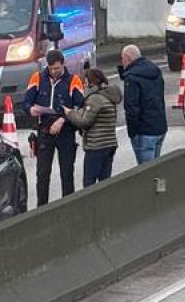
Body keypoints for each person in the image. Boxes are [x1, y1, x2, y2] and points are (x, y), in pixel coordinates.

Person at [20, 49, 84, 205]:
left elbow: (80, 107)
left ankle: (67, 207)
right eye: (51, 69)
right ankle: (42, 209)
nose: (54, 72)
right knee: (42, 174)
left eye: (57, 68)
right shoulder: (37, 78)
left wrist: (63, 120)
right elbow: (26, 102)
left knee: (66, 173)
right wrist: (31, 110)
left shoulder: (73, 80)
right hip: (44, 131)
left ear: (63, 64)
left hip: (66, 131)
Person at [67, 67, 123, 187]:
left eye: (86, 82)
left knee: (89, 183)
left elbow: (85, 121)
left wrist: (70, 113)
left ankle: (90, 206)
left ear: (91, 82)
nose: (85, 86)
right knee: (105, 182)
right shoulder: (109, 96)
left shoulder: (95, 99)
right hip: (110, 143)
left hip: (97, 145)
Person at [118, 44, 167, 164]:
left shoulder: (132, 78)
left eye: (122, 59)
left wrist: (133, 133)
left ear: (127, 58)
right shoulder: (155, 70)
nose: (122, 63)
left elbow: (131, 108)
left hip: (144, 131)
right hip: (159, 126)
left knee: (145, 173)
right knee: (155, 170)